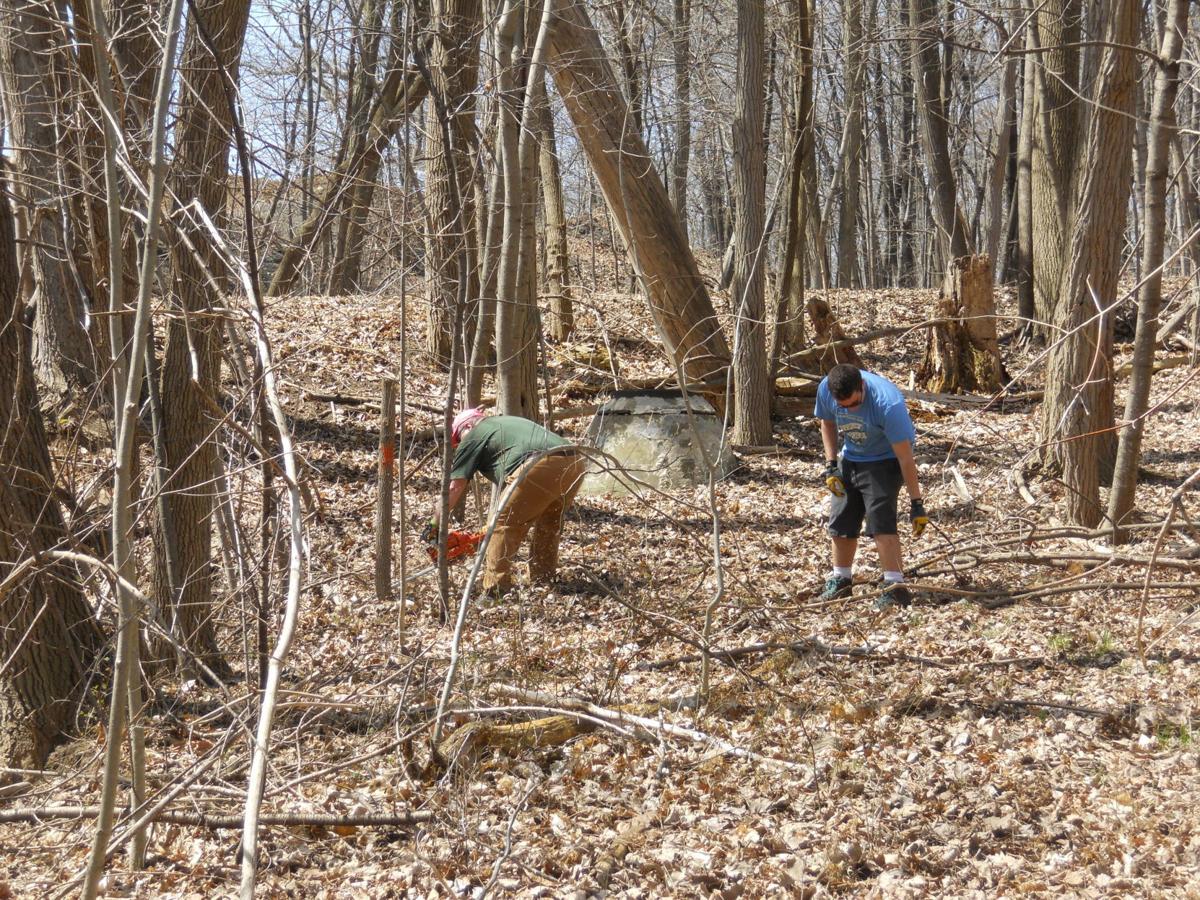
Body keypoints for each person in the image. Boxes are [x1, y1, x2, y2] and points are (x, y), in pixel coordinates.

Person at [426, 408, 587, 596]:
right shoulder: (506, 422)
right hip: (574, 461)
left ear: (468, 425)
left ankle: (494, 591)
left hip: (539, 464)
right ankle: (543, 579)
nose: (461, 443)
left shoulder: (474, 435)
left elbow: (454, 488)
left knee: (502, 526)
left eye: (459, 438)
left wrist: (433, 525)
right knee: (549, 522)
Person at [814, 364, 928, 609]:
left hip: (885, 459)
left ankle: (895, 587)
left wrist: (916, 503)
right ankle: (841, 579)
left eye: (854, 404)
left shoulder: (888, 405)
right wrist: (831, 465)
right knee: (841, 519)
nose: (848, 410)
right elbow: (828, 423)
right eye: (843, 406)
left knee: (881, 523)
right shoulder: (826, 388)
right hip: (851, 457)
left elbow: (905, 458)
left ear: (862, 387)